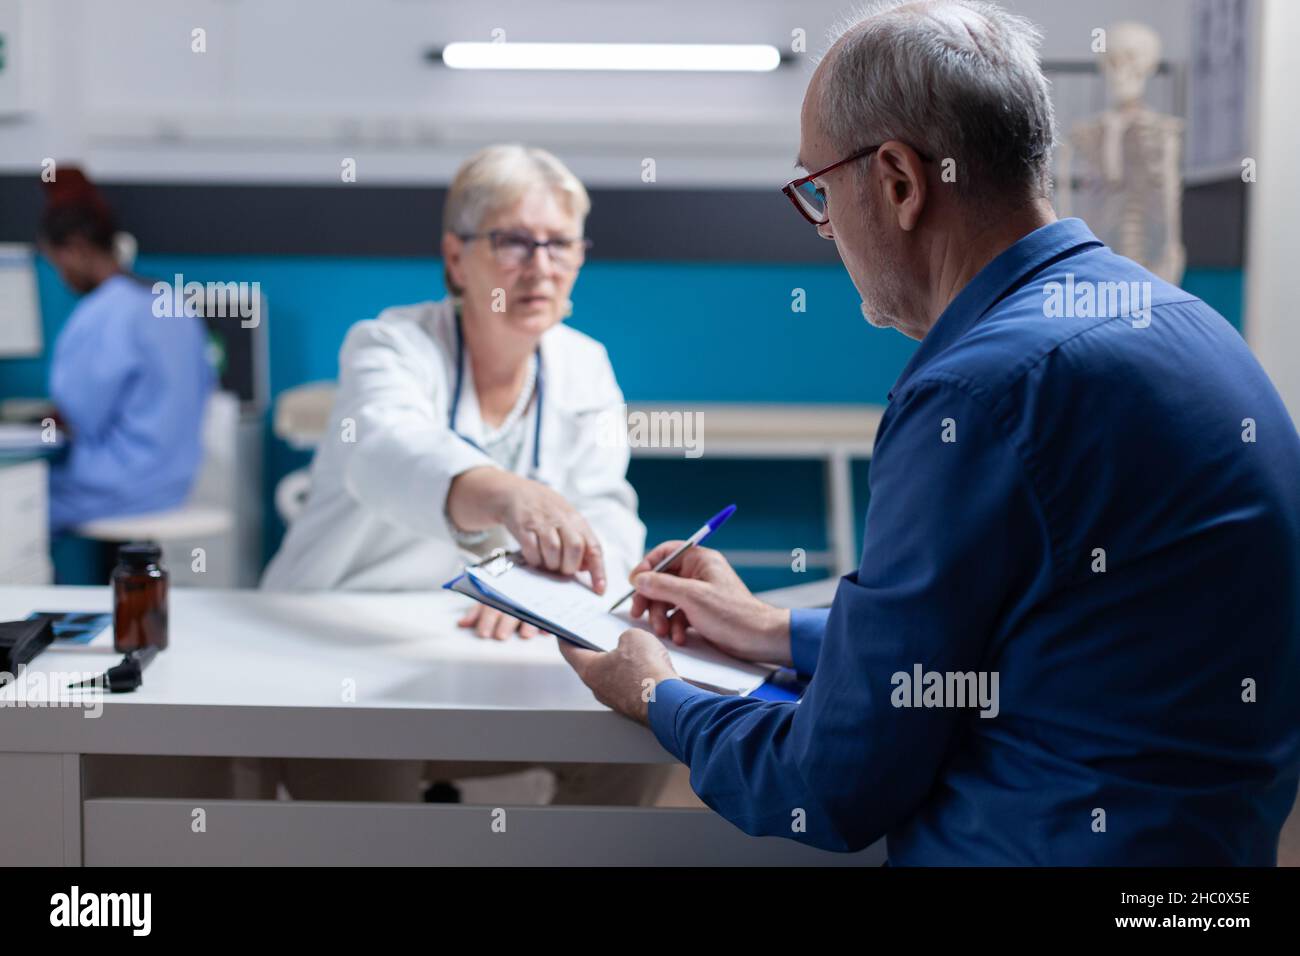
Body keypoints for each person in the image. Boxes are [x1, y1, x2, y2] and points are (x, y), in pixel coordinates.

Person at [560, 0, 1300, 864]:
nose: (826, 229)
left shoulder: (978, 393)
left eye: (820, 193)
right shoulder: (1179, 323)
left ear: (901, 183)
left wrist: (657, 695)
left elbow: (829, 787)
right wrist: (770, 630)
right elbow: (1040, 635)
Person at [261, 144, 665, 806]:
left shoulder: (584, 365)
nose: (541, 267)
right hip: (346, 633)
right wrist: (508, 496)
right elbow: (386, 450)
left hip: (497, 647)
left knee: (640, 733)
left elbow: (607, 508)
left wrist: (548, 589)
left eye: (561, 244)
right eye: (514, 242)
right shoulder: (390, 344)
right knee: (370, 804)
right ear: (456, 257)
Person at [38, 168, 213, 534]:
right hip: (173, 485)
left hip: (119, 487)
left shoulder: (104, 313)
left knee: (19, 497)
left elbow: (81, 416)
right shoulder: (171, 303)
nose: (62, 275)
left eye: (58, 263)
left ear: (76, 247)